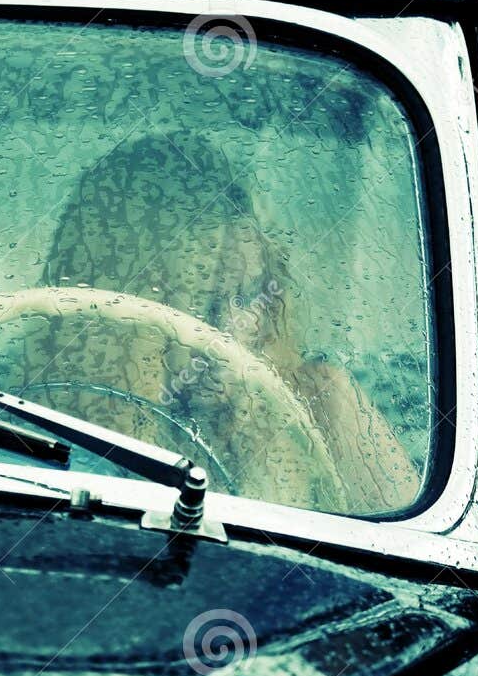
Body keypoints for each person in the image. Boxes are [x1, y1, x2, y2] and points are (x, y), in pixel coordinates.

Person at [38, 134, 422, 513]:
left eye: (249, 293)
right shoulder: (40, 411)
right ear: (126, 307)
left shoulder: (324, 402)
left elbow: (419, 560)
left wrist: (256, 430)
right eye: (201, 304)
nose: (235, 325)